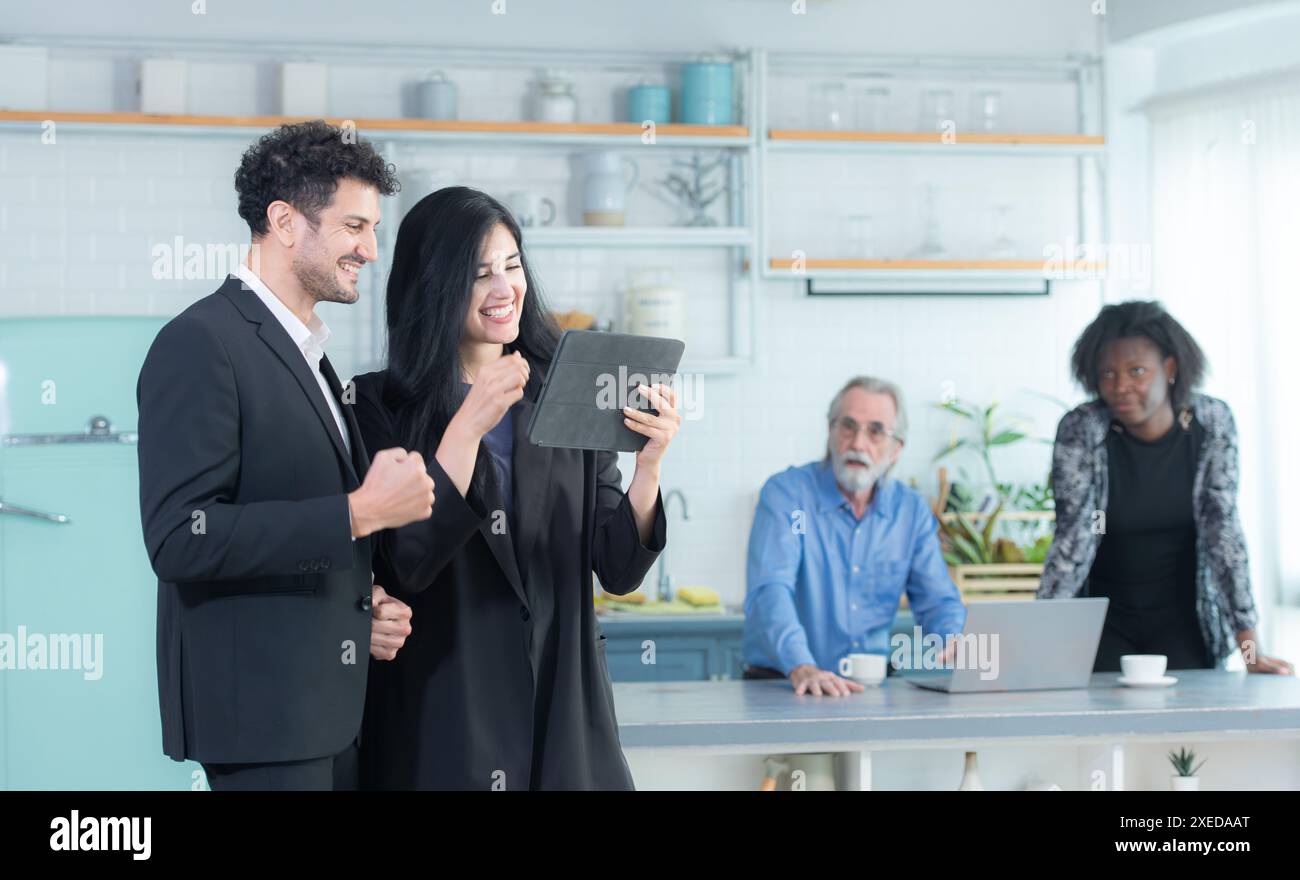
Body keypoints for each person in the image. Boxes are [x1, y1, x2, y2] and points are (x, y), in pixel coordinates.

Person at [137, 120, 435, 791]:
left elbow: (290, 519)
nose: (372, 249)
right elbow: (181, 538)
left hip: (327, 712)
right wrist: (356, 514)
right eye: (355, 227)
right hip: (263, 722)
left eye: (374, 229)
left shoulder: (309, 354)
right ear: (286, 222)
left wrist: (362, 602)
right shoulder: (201, 344)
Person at [351, 186, 679, 790]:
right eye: (480, 274)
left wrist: (649, 466)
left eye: (512, 265)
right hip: (445, 722)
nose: (505, 289)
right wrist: (468, 425)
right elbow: (406, 564)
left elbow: (617, 568)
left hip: (563, 720)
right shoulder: (376, 406)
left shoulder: (568, 391)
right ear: (434, 287)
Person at [1039, 300, 1293, 675]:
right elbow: (1076, 535)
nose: (1120, 386)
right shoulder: (1084, 430)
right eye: (1107, 373)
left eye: (1136, 371)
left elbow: (1221, 533)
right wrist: (1035, 637)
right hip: (1102, 623)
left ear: (1170, 368)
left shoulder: (1210, 424)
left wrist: (1251, 652)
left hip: (1185, 620)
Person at [743, 376, 967, 696]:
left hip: (869, 688)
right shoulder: (789, 496)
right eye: (848, 426)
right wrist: (802, 666)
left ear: (896, 449)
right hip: (785, 683)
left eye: (876, 431)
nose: (859, 443)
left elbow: (936, 600)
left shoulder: (910, 511)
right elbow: (770, 589)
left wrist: (952, 635)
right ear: (830, 431)